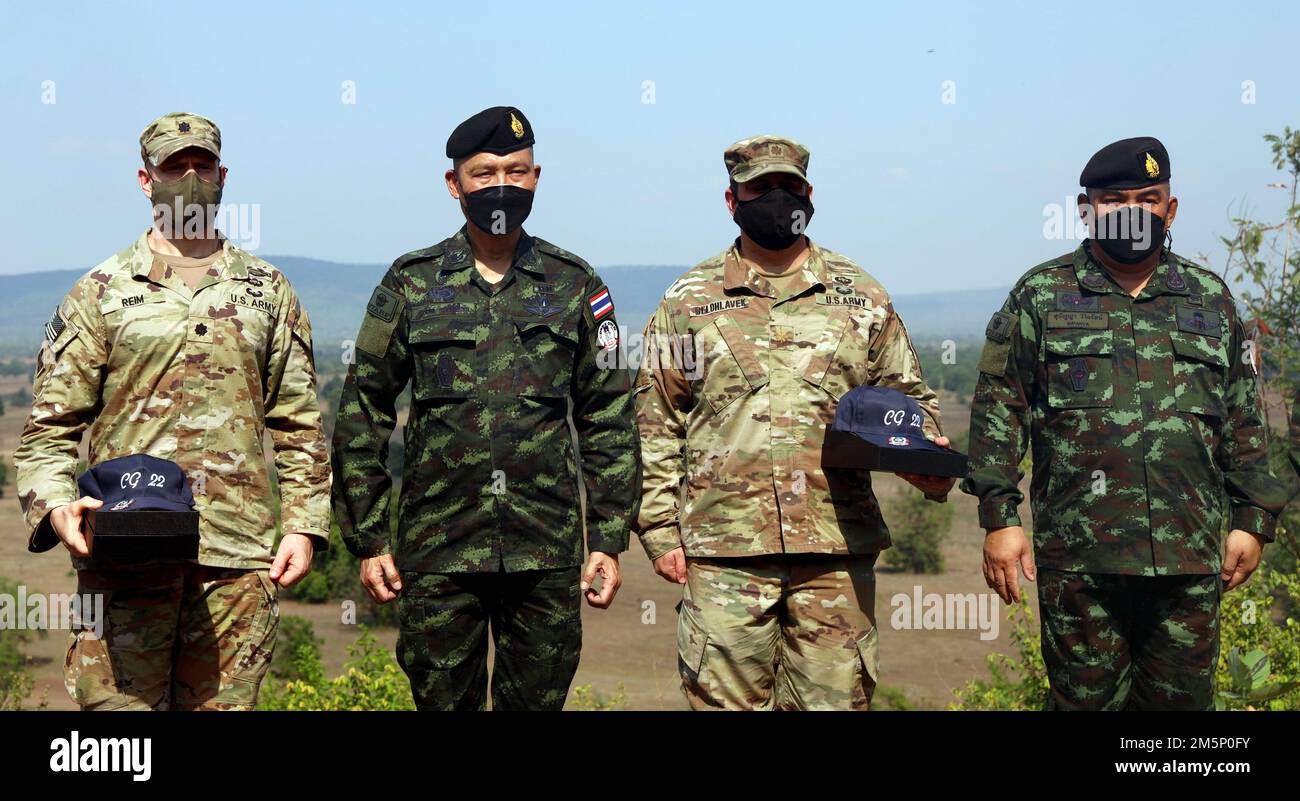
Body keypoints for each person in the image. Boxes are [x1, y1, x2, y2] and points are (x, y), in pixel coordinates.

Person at [15, 112, 330, 710]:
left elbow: (298, 423)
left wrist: (303, 525)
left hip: (238, 560)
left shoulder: (266, 290)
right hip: (123, 554)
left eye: (201, 165)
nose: (189, 177)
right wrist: (56, 507)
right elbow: (48, 432)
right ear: (145, 179)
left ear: (223, 176)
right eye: (172, 166)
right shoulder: (100, 292)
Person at [962, 136, 1290, 710]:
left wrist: (1253, 516)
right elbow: (999, 408)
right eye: (1114, 199)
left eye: (1147, 196)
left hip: (1189, 560)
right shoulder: (1042, 294)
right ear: (1086, 208)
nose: (1132, 211)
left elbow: (1244, 415)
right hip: (1081, 564)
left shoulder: (1211, 299)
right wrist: (999, 518)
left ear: (1171, 208)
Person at [332, 106, 640, 711]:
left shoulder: (576, 284)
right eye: (484, 172)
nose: (502, 184)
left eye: (516, 171)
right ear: (455, 185)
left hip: (544, 551)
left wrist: (607, 537)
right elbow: (362, 409)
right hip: (438, 549)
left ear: (536, 177)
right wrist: (369, 537)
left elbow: (608, 415)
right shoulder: (410, 283)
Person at [634, 135, 953, 710]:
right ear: (732, 200)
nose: (777, 199)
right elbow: (657, 417)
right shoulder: (687, 299)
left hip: (835, 545)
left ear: (810, 194)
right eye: (761, 189)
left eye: (790, 187)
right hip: (723, 549)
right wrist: (659, 530)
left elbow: (908, 401)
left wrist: (926, 457)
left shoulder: (863, 296)